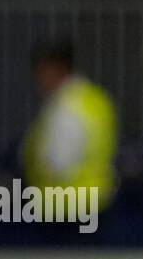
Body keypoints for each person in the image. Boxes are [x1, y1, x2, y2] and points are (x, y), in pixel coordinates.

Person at [21, 41, 118, 209]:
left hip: (64, 206)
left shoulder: (65, 106)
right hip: (95, 199)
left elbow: (56, 162)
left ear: (55, 69)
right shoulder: (94, 99)